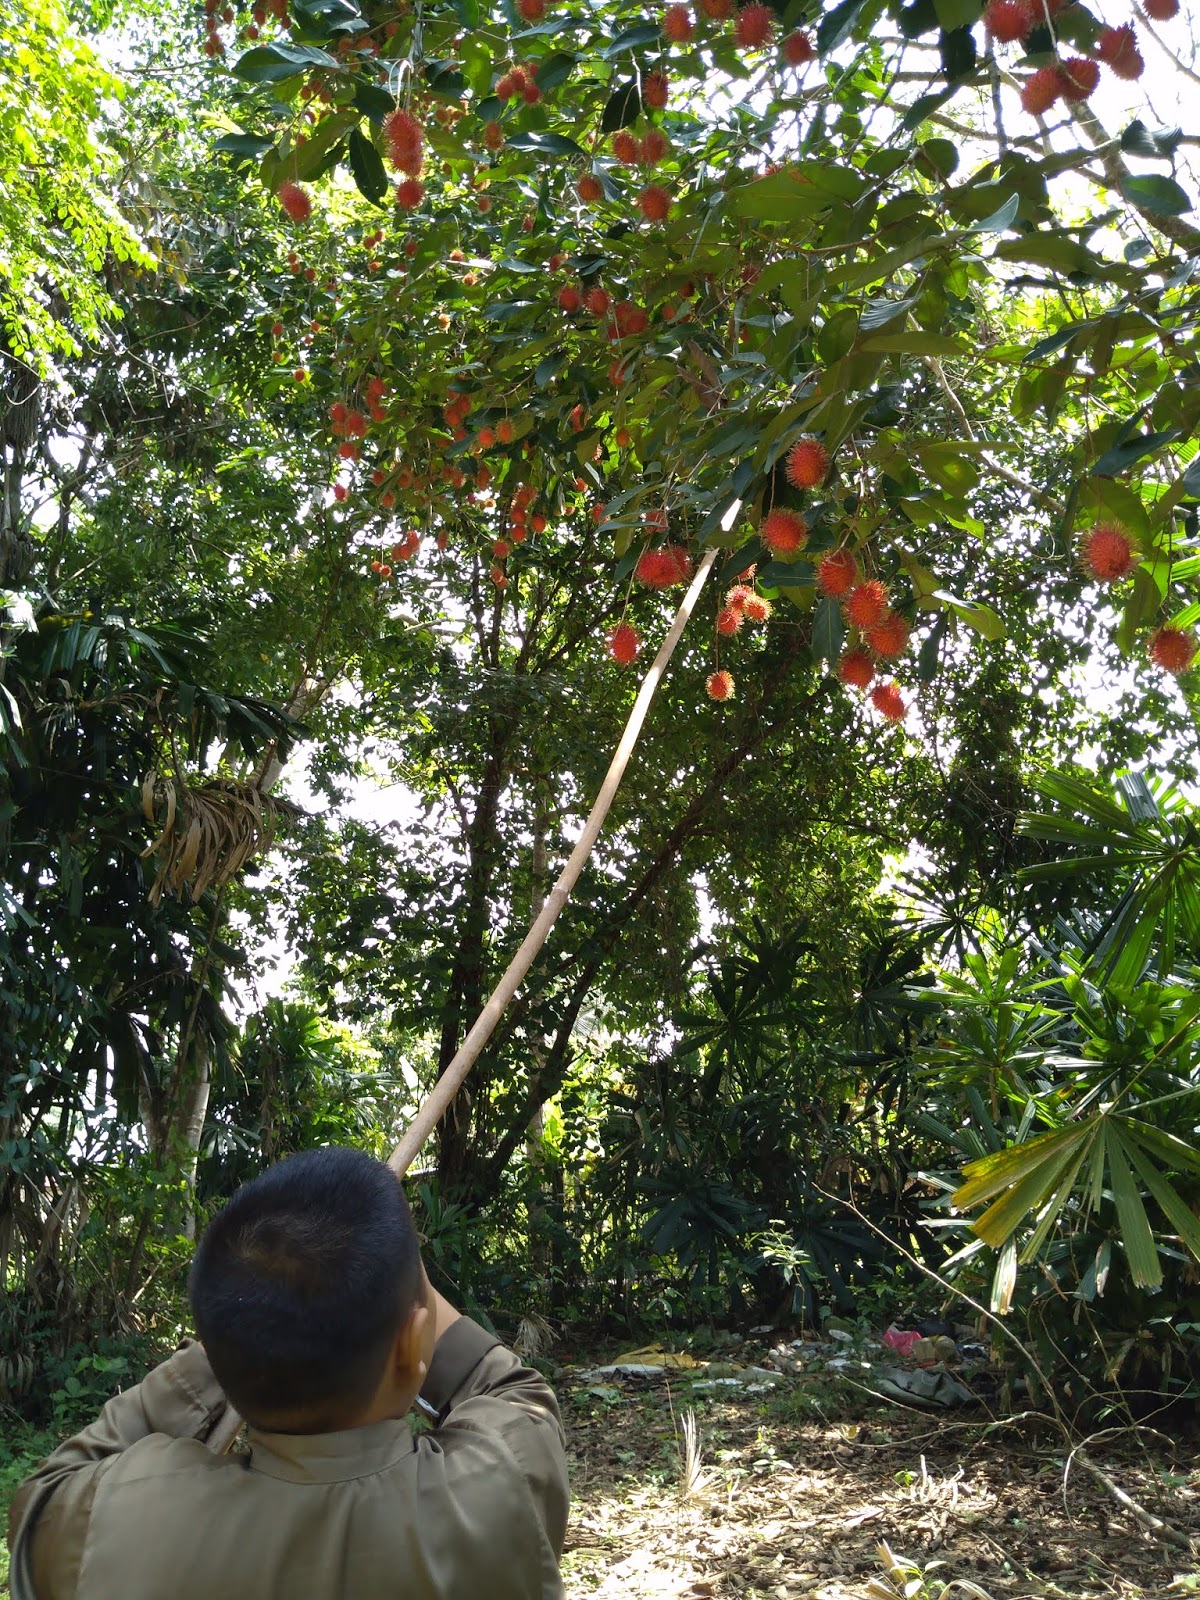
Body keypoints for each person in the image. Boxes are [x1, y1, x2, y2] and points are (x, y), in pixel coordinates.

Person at [6, 1147, 570, 1599]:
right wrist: (404, 1274)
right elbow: (511, 1390)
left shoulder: (111, 1523)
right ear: (409, 1343)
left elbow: (40, 1502)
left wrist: (232, 1338)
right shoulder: (498, 1493)